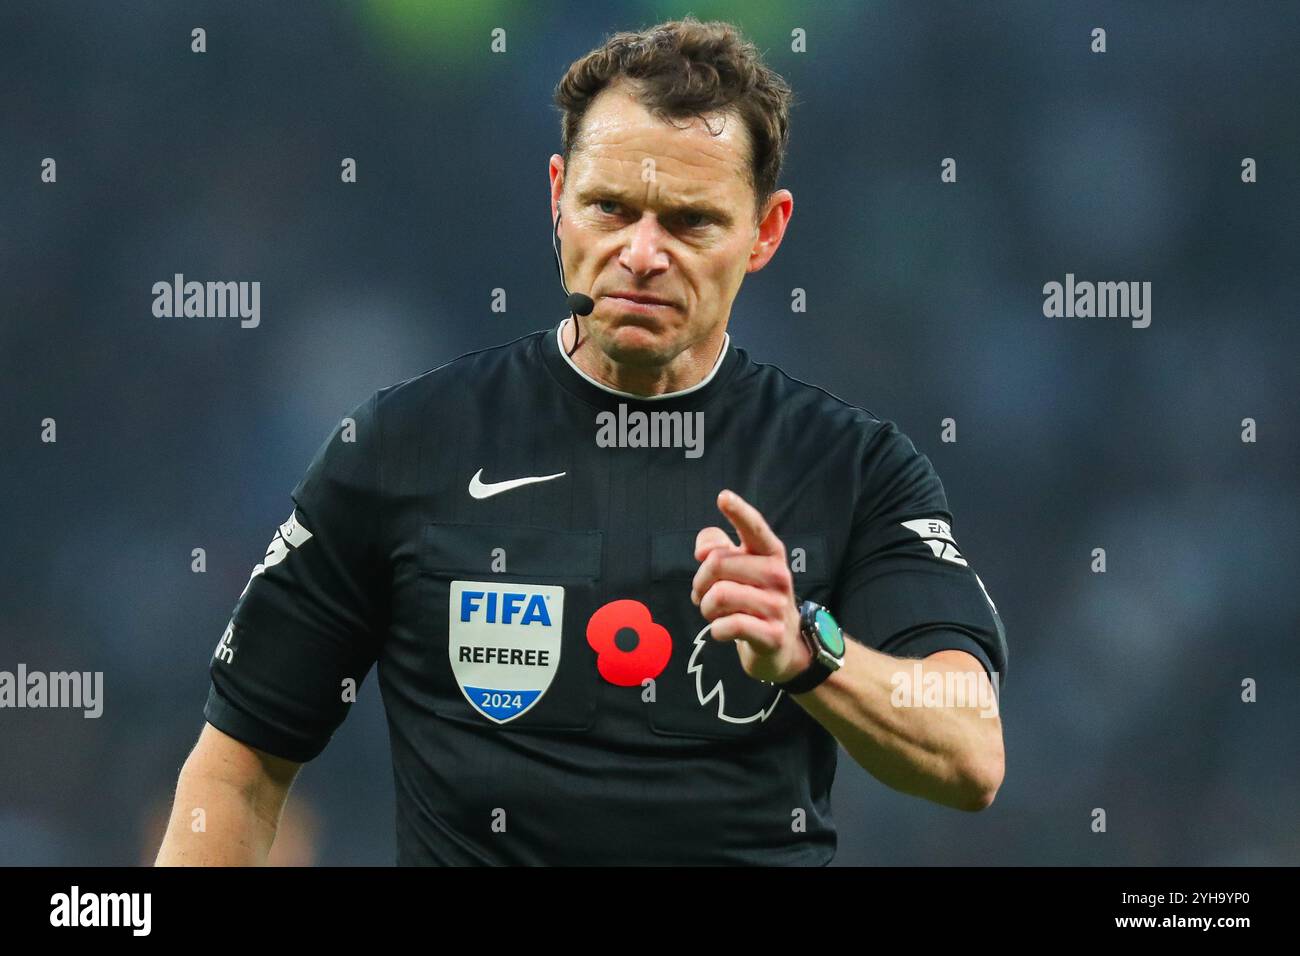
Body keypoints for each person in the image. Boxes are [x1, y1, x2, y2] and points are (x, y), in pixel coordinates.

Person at [156, 16, 1007, 866]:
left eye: (690, 221)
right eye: (610, 208)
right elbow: (239, 770)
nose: (641, 253)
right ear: (557, 197)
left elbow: (970, 751)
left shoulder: (853, 469)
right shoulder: (402, 447)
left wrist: (808, 649)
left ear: (766, 231)